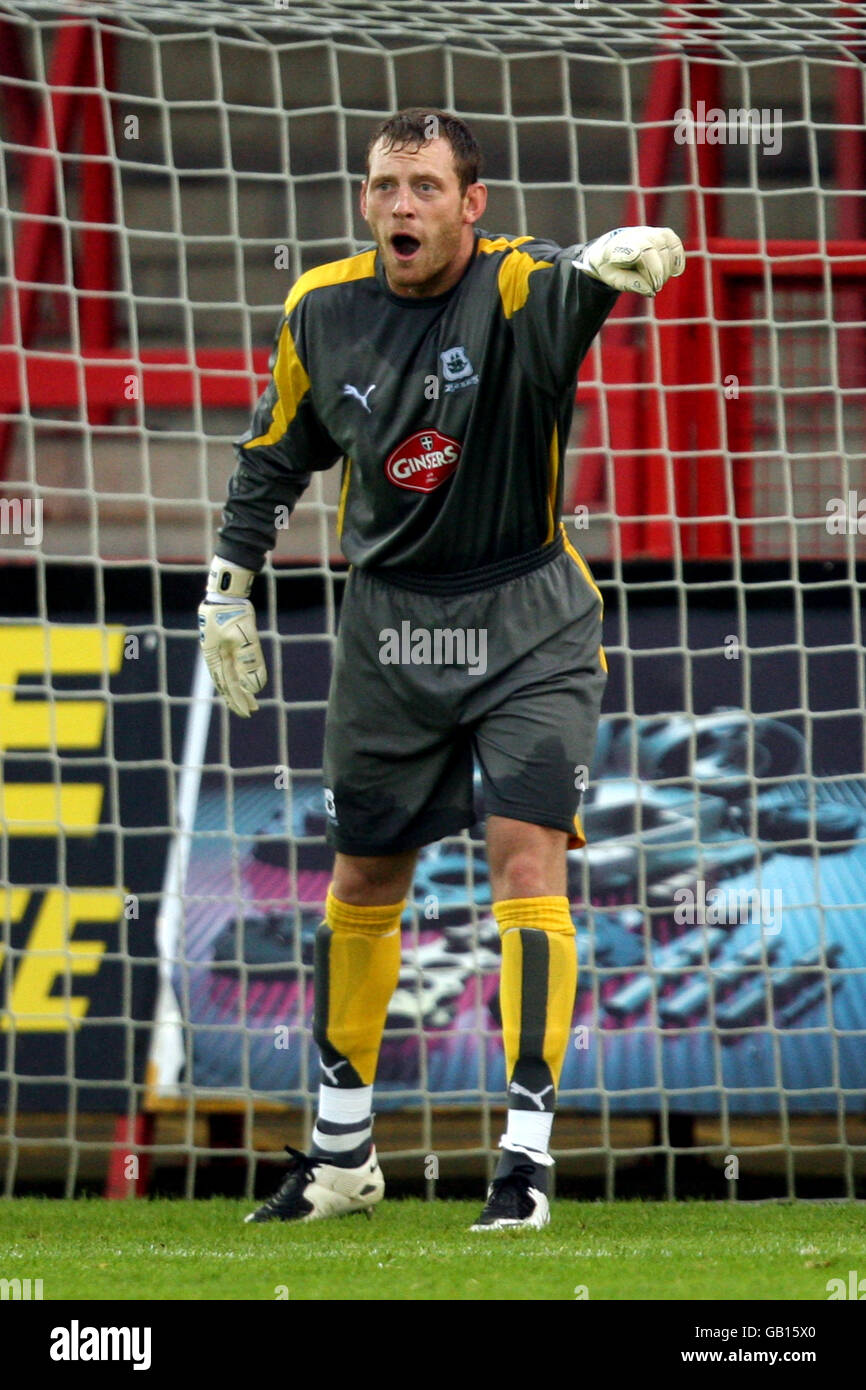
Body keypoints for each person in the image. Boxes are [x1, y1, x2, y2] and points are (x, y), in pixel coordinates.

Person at [198, 108, 685, 1230]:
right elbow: (275, 450)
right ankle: (339, 1159)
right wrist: (228, 586)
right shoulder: (319, 309)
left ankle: (521, 1163)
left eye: (423, 186)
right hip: (388, 633)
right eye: (383, 187)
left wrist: (608, 266)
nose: (398, 207)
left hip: (527, 622)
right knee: (365, 882)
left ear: (471, 204)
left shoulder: (515, 287)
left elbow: (571, 279)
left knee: (525, 865)